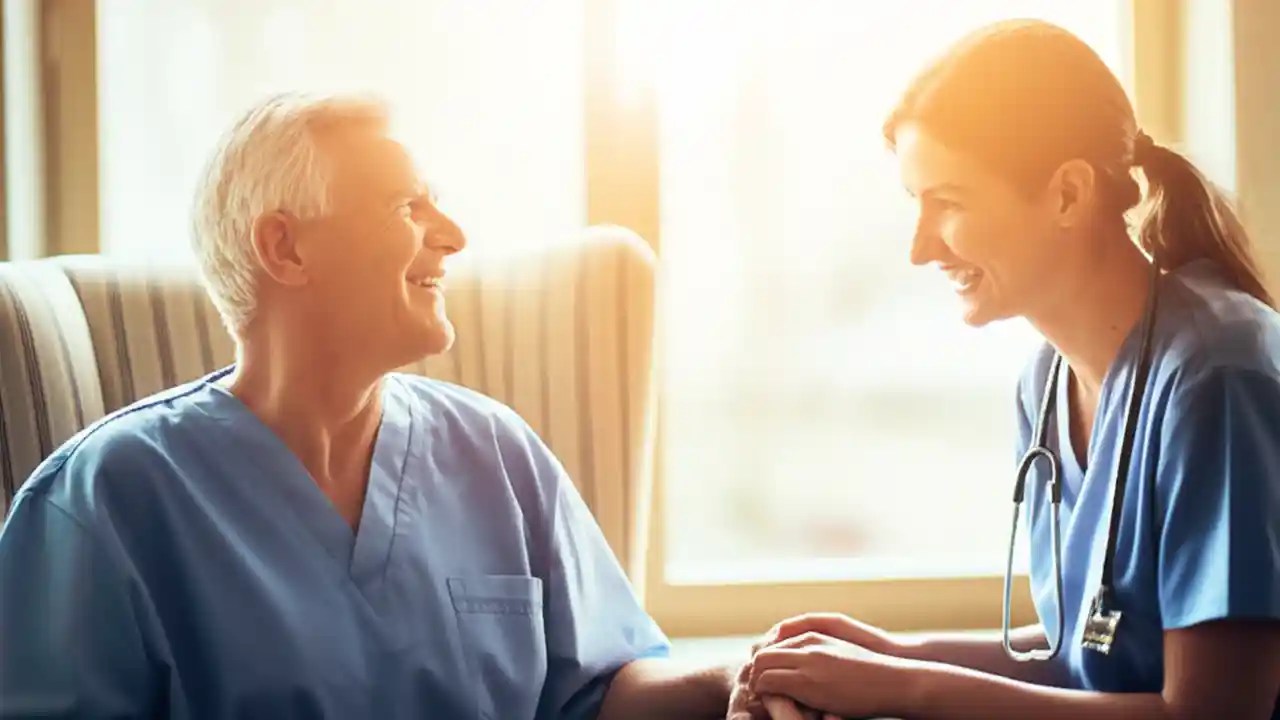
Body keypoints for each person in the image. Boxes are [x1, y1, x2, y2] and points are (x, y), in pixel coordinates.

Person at [0, 93, 732, 719]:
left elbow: (599, 692)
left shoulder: (498, 453)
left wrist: (736, 679)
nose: (453, 237)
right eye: (407, 206)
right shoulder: (106, 497)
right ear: (285, 248)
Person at [731, 19, 1280, 720]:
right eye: (917, 205)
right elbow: (1089, 656)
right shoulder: (1047, 381)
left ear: (1068, 194)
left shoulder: (1218, 378)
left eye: (949, 203)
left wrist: (904, 689)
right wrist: (891, 654)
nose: (920, 249)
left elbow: (1211, 714)